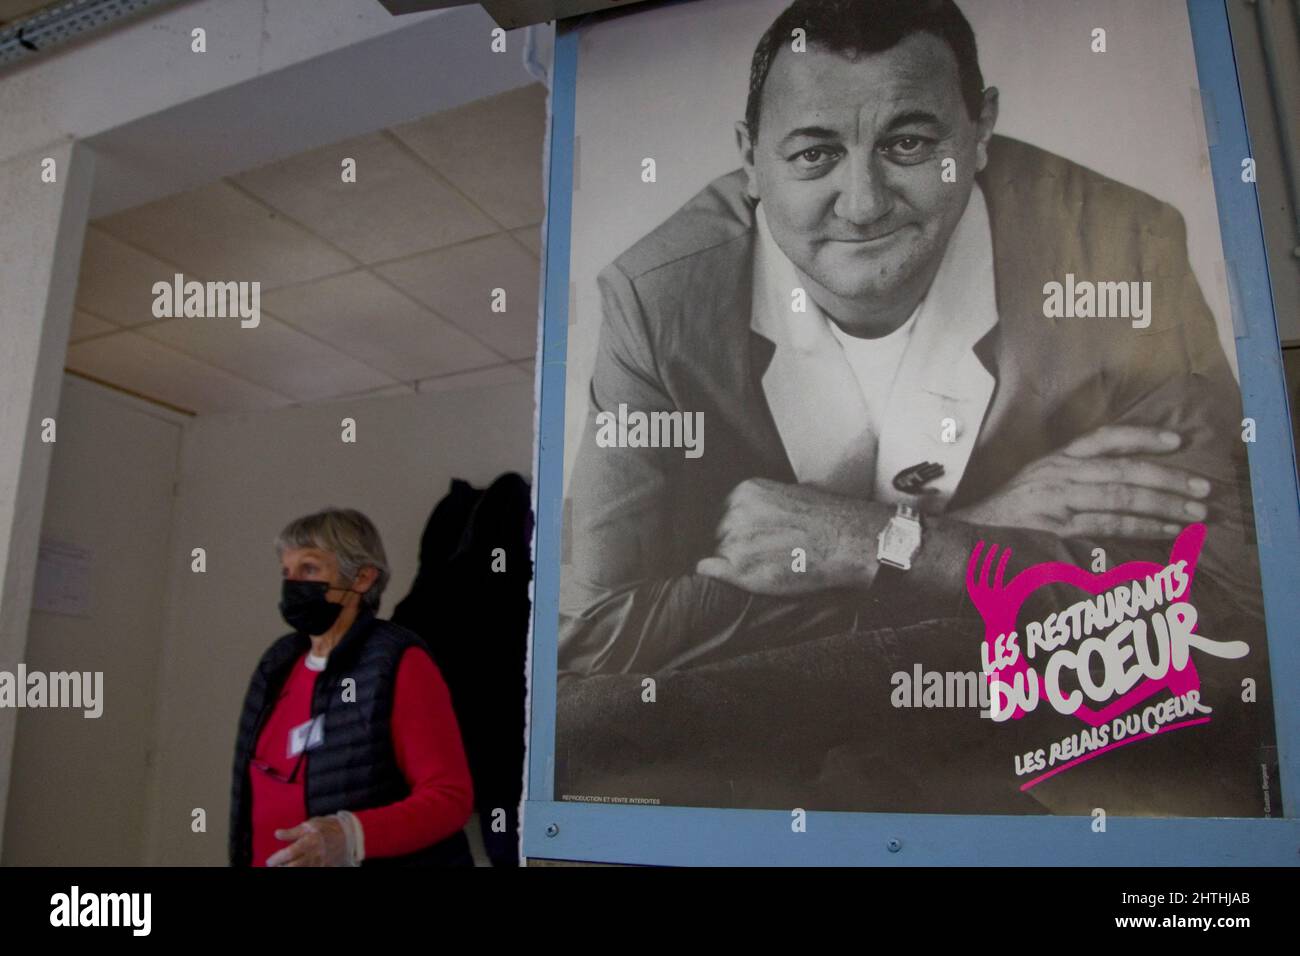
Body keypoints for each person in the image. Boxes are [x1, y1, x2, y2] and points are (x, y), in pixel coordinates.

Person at [555, 0, 1271, 815]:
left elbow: (1231, 617)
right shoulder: (657, 301)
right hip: (794, 757)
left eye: (908, 144)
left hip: (1035, 750)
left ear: (980, 130)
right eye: (815, 154)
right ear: (750, 160)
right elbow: (595, 642)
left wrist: (884, 543)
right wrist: (981, 535)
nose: (861, 202)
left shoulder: (1120, 250)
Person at [229, 508, 474, 866]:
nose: (293, 583)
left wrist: (351, 835)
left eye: (309, 569)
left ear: (361, 578)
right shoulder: (278, 662)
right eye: (287, 572)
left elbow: (449, 798)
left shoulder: (395, 662)